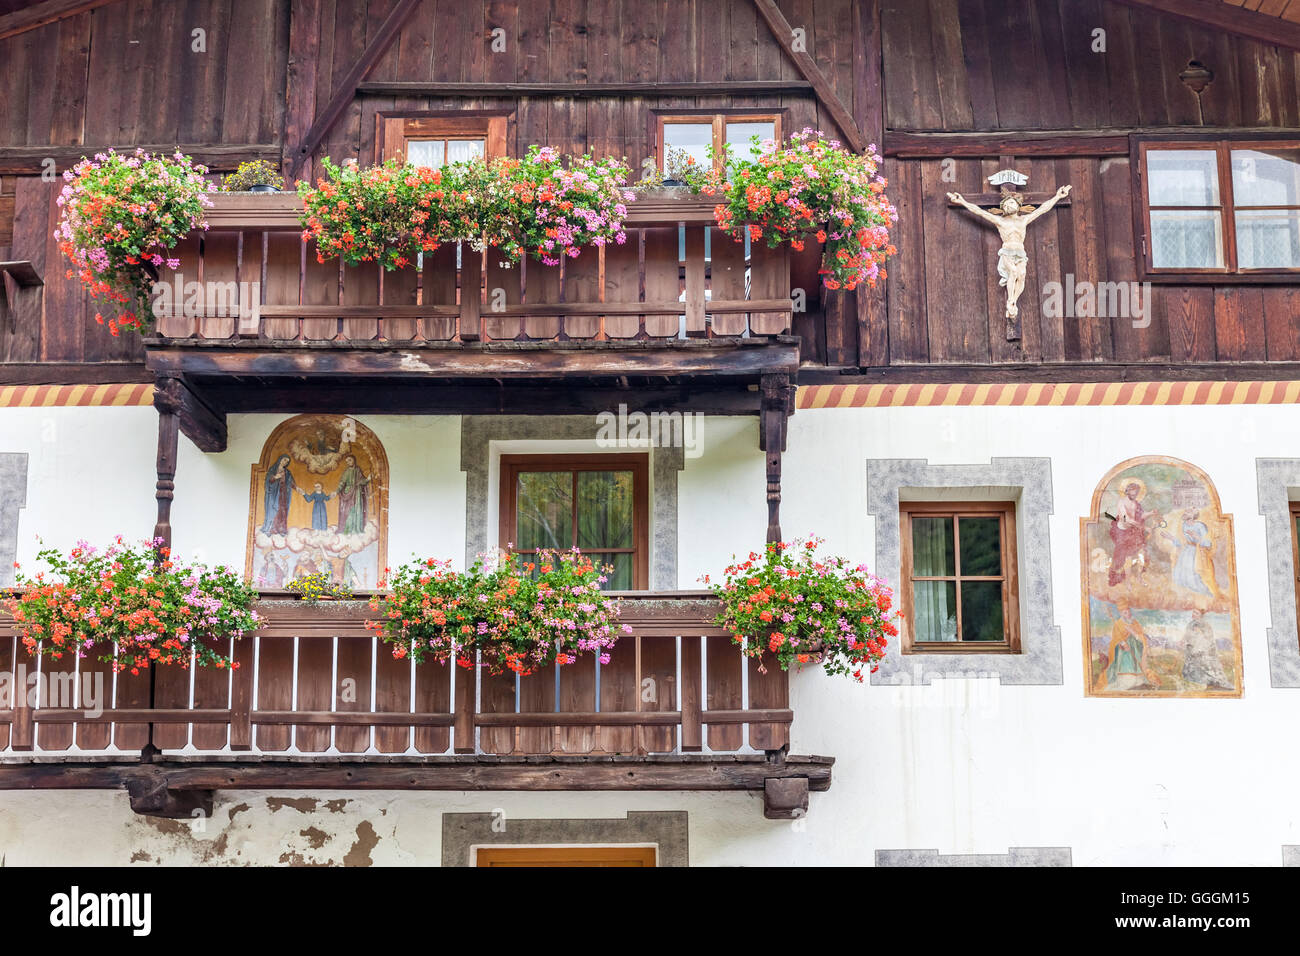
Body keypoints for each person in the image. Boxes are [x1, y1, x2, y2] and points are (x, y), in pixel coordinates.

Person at [1099, 604, 1158, 692]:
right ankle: (1125, 679)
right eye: (1125, 613)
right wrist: (1123, 643)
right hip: (1124, 652)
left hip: (1135, 650)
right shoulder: (1118, 624)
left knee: (1138, 679)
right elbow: (1116, 638)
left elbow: (1141, 637)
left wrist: (1133, 632)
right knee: (1128, 676)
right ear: (1121, 614)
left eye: (1129, 611)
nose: (1128, 614)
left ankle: (1138, 678)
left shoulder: (1134, 622)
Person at [1107, 481, 1155, 587]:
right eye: (1133, 493)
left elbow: (1141, 516)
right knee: (1127, 557)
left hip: (1134, 530)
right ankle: (1128, 582)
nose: (1135, 495)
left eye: (1136, 493)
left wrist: (1151, 513)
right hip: (1123, 532)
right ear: (1127, 491)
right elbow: (1126, 519)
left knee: (1141, 554)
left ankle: (1139, 578)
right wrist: (1144, 527)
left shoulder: (1136, 503)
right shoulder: (1121, 502)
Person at [1180, 609, 1231, 690]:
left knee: (1203, 665)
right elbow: (1187, 634)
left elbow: (1209, 637)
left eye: (1196, 613)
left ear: (1201, 615)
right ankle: (1192, 678)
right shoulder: (1190, 623)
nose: (1193, 614)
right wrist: (1183, 640)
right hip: (1191, 647)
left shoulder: (1205, 624)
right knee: (1190, 665)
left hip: (1202, 648)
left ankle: (1211, 681)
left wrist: (1200, 633)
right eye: (1193, 612)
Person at [335, 455, 371, 535]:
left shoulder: (358, 470)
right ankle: (348, 529)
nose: (348, 462)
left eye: (350, 460)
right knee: (349, 510)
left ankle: (356, 529)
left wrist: (367, 479)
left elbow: (361, 480)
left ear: (354, 460)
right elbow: (342, 483)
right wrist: (337, 491)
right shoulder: (347, 471)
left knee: (357, 509)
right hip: (349, 492)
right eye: (347, 461)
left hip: (357, 493)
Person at [261, 455, 297, 535]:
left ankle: (281, 529)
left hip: (283, 493)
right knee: (273, 509)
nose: (285, 462)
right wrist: (275, 477)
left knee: (282, 510)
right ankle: (270, 529)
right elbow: (268, 481)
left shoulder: (287, 472)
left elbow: (291, 482)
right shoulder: (273, 469)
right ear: (280, 459)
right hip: (274, 493)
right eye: (284, 460)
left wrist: (297, 488)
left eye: (287, 462)